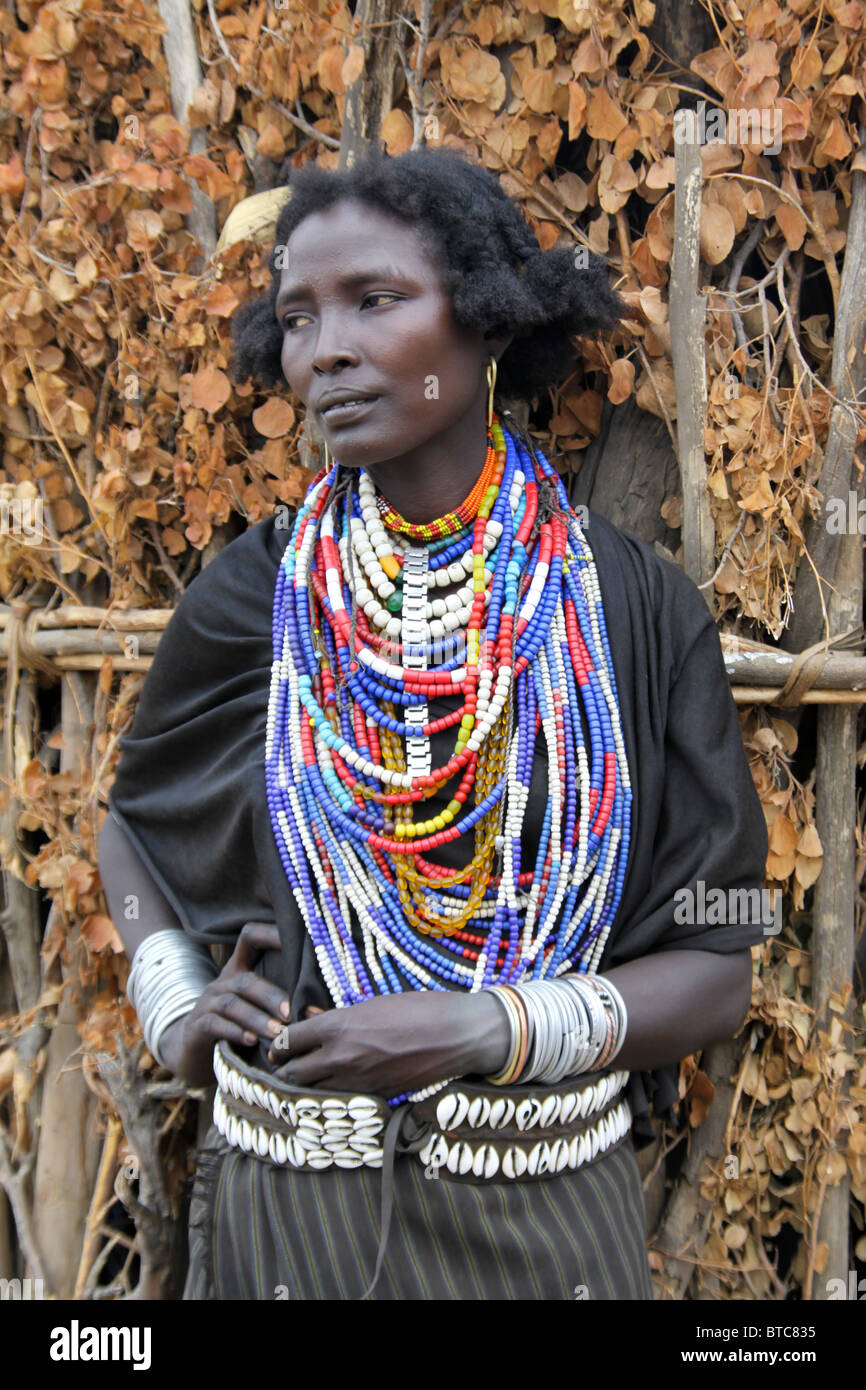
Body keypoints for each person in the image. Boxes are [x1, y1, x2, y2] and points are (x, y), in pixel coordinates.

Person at [99, 147, 769, 1301]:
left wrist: (476, 1028)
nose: (329, 350)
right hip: (287, 1221)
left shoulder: (630, 612)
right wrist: (174, 1006)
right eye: (297, 316)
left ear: (486, 315)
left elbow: (715, 973)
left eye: (375, 300)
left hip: (543, 1223)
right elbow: (129, 827)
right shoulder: (257, 595)